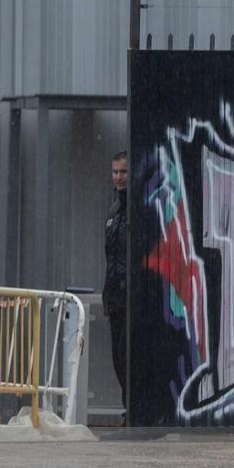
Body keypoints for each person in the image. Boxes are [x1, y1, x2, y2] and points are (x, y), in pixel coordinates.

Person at [103, 150, 131, 426]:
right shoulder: (114, 211)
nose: (118, 177)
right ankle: (128, 410)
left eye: (123, 172)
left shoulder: (138, 208)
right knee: (118, 359)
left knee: (128, 358)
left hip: (129, 297)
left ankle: (133, 412)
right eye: (115, 172)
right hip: (115, 298)